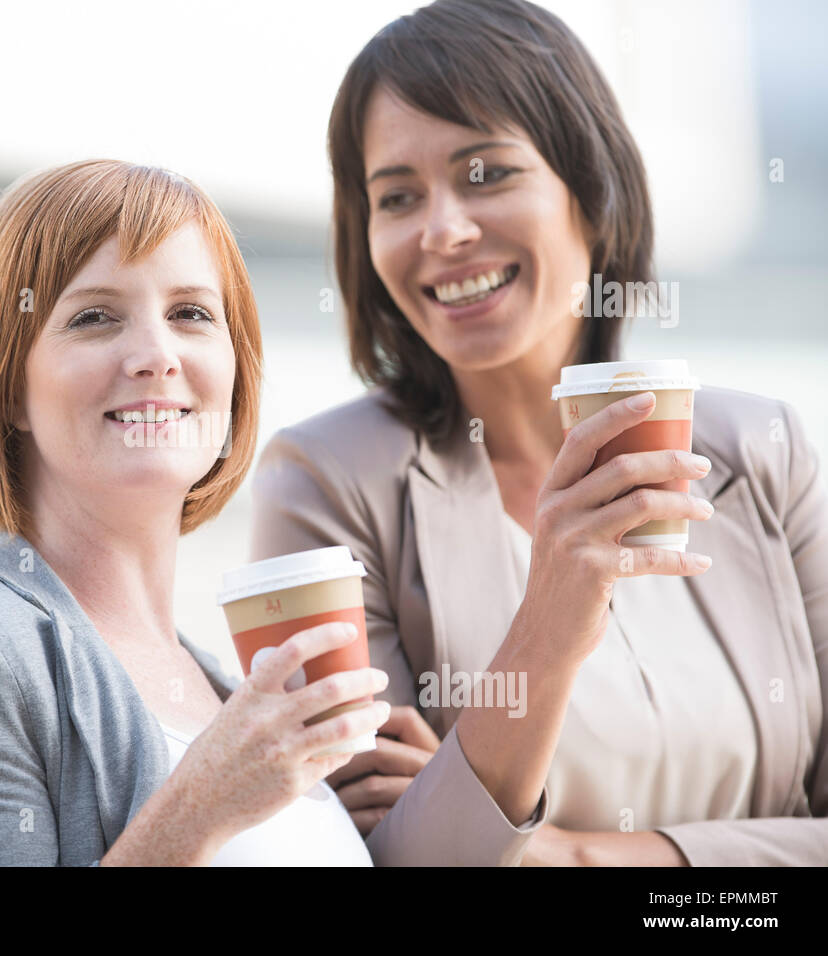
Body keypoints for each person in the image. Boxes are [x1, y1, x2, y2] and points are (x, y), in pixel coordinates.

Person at [0, 158, 551, 866]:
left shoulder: (230, 696)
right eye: (94, 317)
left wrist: (420, 810)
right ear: (9, 388)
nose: (156, 354)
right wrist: (199, 808)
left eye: (191, 314)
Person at [249, 0, 828, 865]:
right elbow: (396, 863)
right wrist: (551, 620)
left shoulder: (763, 450)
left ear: (589, 194)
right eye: (398, 196)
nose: (442, 229)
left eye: (486, 173)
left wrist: (567, 854)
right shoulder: (324, 485)